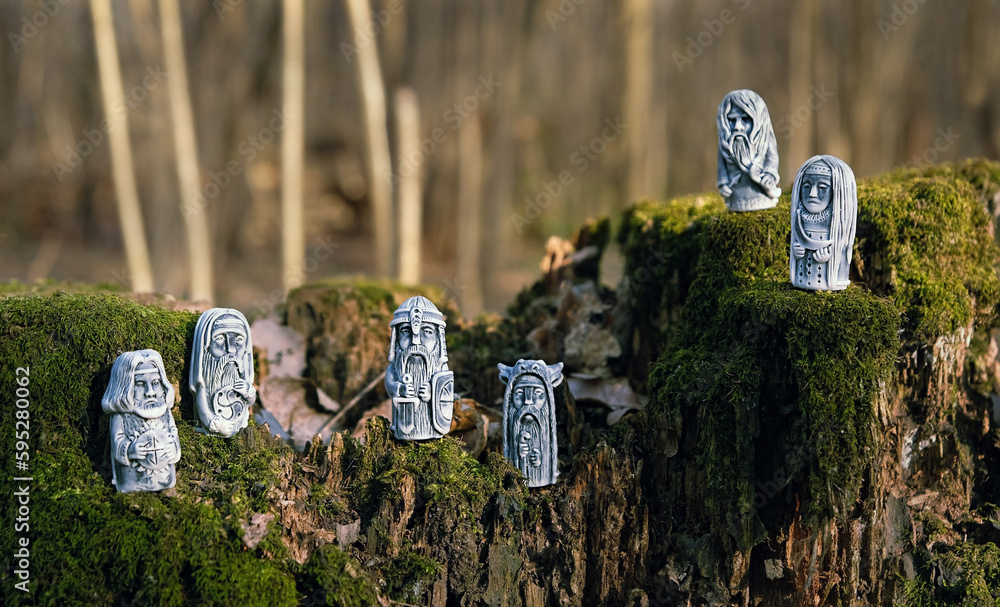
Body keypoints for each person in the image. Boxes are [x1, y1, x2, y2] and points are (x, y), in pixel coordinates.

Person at [102, 349, 181, 492]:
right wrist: (130, 450)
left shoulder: (164, 411)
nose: (150, 392)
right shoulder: (121, 416)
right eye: (140, 384)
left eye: (155, 382)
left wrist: (173, 448)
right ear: (125, 387)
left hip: (164, 477)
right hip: (132, 480)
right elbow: (117, 442)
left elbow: (173, 432)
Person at [790, 155, 857, 291]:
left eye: (822, 187)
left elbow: (842, 247)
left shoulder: (840, 221)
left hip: (829, 282)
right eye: (807, 186)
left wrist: (831, 257)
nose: (812, 194)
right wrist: (796, 253)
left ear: (837, 191)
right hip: (801, 279)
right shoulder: (798, 216)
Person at [717, 89, 781, 212]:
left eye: (745, 119)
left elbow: (772, 157)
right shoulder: (726, 145)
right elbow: (722, 165)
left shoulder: (765, 139)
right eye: (731, 120)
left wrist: (769, 174)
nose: (737, 127)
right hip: (736, 199)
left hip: (762, 197)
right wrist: (723, 184)